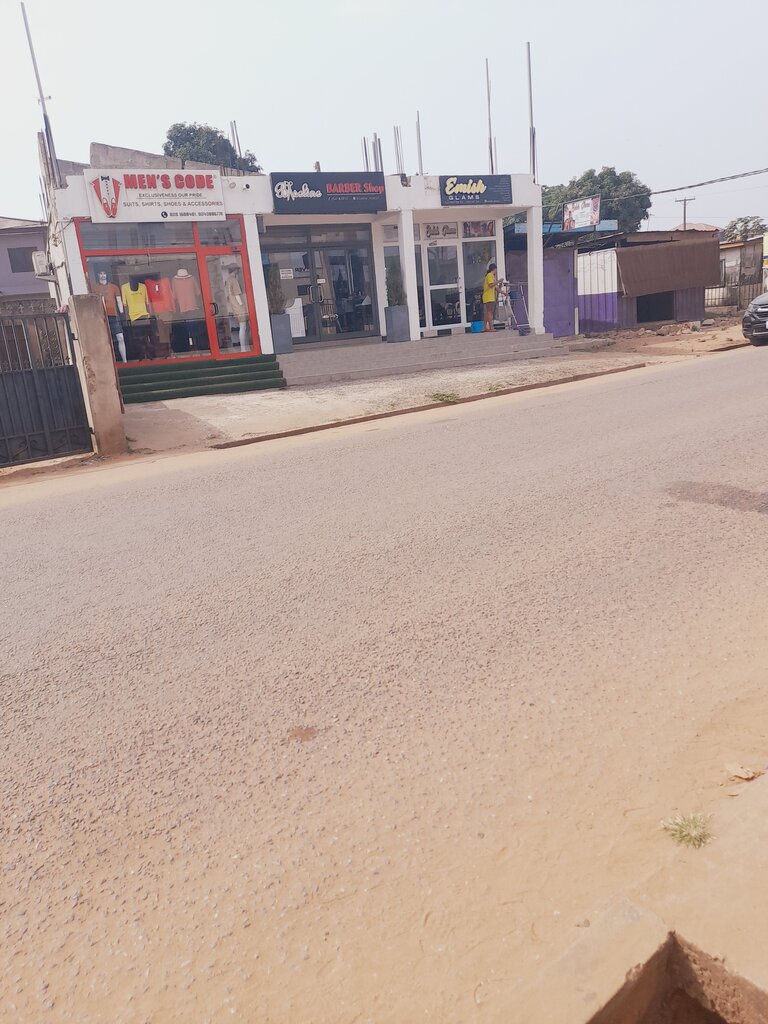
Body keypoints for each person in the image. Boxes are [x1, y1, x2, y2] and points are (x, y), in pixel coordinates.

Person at [482, 262, 499, 332]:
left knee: (487, 312)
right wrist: (498, 281)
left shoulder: (492, 277)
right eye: (496, 270)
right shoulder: (489, 275)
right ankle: (491, 327)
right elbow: (491, 285)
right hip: (488, 296)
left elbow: (496, 288)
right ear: (494, 269)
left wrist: (504, 293)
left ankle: (484, 327)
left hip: (490, 296)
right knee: (490, 312)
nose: (496, 271)